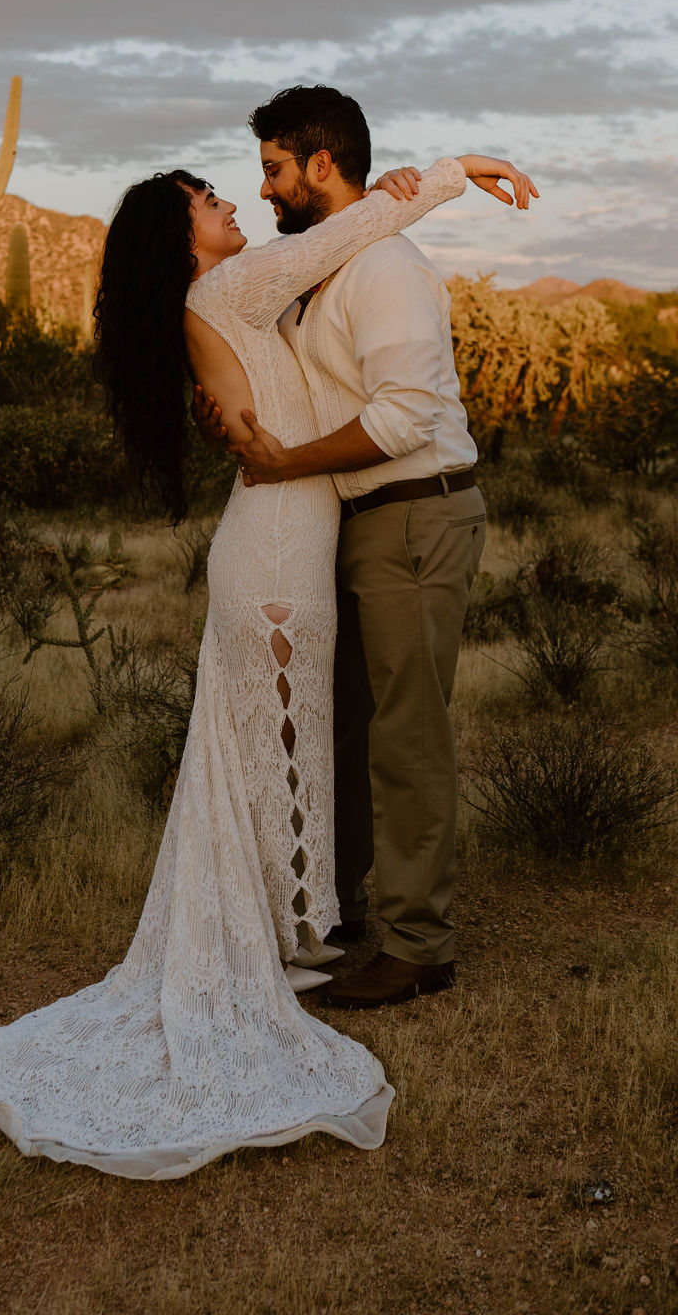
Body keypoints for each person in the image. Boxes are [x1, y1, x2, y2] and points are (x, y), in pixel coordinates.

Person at [0, 146, 533, 1179]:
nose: (231, 201)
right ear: (180, 236)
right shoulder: (229, 285)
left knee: (270, 739)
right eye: (208, 199)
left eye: (238, 186)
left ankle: (295, 922)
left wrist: (395, 177)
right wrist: (448, 172)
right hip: (278, 538)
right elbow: (346, 231)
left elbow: (331, 258)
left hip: (279, 530)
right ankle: (296, 932)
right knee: (282, 737)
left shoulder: (223, 294)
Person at [199, 85, 537, 1010]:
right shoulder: (313, 270)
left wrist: (286, 464)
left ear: (320, 163)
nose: (261, 190)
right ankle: (340, 911)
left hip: (416, 513)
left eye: (273, 169)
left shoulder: (385, 270)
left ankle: (420, 944)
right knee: (343, 720)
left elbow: (406, 416)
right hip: (351, 521)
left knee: (405, 730)